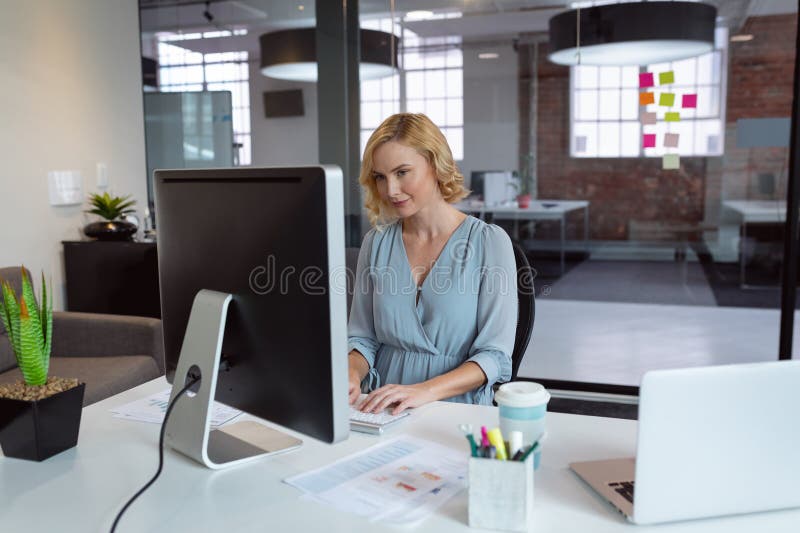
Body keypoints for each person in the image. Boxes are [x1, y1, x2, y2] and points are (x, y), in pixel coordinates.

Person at [348, 113, 518, 415]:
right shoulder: (375, 244)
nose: (390, 190)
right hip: (382, 408)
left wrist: (423, 392)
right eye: (380, 177)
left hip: (455, 410)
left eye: (402, 173)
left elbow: (495, 356)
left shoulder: (489, 243)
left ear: (435, 164)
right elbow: (362, 339)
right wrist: (351, 373)